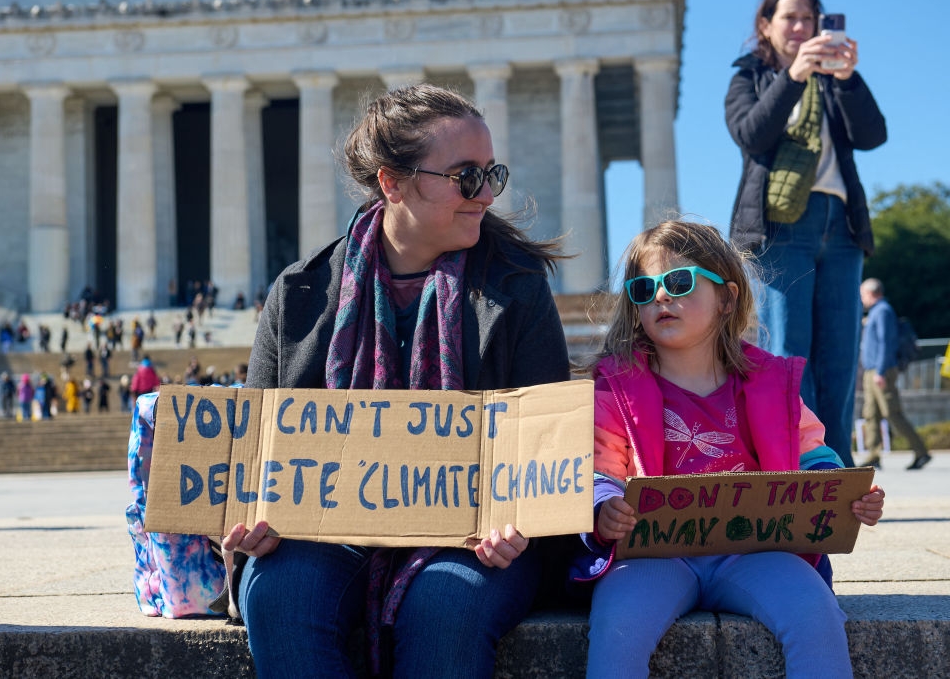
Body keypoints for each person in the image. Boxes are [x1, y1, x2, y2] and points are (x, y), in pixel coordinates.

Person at [222, 83, 570, 677]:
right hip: (328, 535)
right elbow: (252, 458)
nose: (485, 195)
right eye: (465, 176)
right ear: (392, 183)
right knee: (279, 595)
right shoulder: (299, 293)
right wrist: (244, 522)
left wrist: (519, 521)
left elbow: (547, 448)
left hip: (471, 540)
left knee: (444, 604)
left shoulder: (516, 286)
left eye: (492, 173)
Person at [575, 220, 885, 678]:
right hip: (653, 555)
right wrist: (605, 505)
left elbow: (811, 453)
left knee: (815, 615)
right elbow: (601, 464)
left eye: (678, 282)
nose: (660, 296)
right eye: (644, 289)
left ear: (727, 297)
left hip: (756, 551)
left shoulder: (769, 382)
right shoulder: (616, 386)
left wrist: (843, 495)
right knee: (616, 628)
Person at [725, 0, 887, 467]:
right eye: (789, 17)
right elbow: (752, 134)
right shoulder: (747, 76)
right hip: (780, 227)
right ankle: (793, 476)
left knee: (839, 359)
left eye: (808, 18)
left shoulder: (835, 80)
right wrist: (793, 77)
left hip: (840, 226)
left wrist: (849, 78)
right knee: (789, 358)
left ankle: (836, 479)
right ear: (766, 24)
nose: (800, 26)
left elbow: (873, 136)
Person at [859, 279, 931, 470]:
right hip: (871, 371)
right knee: (870, 414)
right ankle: (874, 455)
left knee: (892, 413)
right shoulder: (875, 312)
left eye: (863, 294)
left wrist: (881, 371)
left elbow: (886, 343)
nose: (862, 299)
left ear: (872, 293)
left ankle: (921, 452)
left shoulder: (883, 311)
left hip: (880, 371)